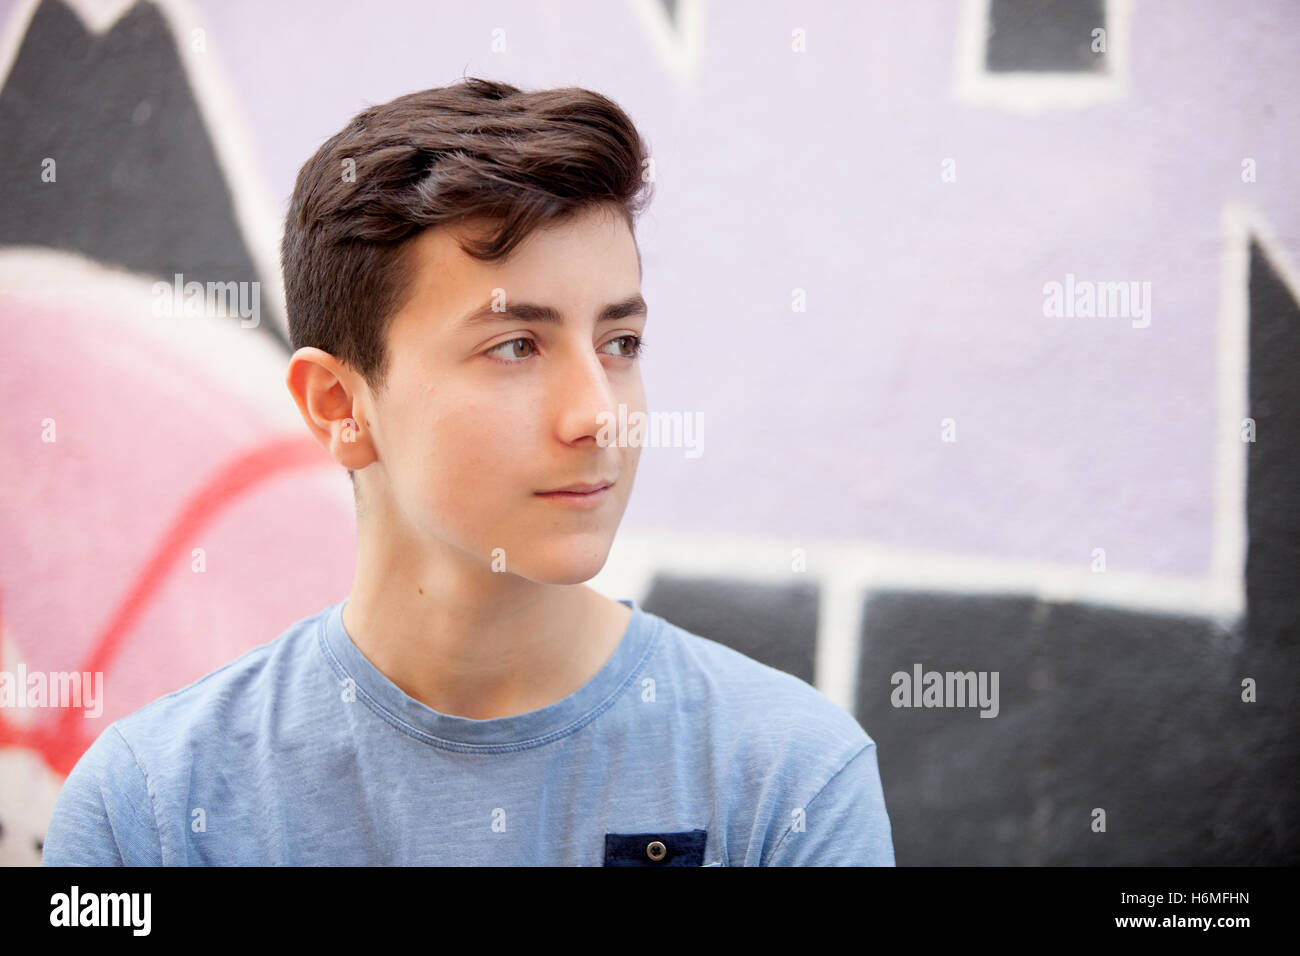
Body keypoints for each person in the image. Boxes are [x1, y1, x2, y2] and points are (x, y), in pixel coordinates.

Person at [42, 77, 894, 866]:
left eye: (619, 343)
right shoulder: (150, 811)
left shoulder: (786, 783)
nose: (599, 413)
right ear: (339, 404)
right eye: (516, 345)